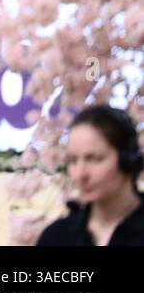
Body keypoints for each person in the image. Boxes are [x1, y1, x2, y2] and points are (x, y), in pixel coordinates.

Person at [37, 105, 144, 246]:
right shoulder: (57, 237)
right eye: (73, 160)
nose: (80, 174)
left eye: (94, 159)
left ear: (128, 160)